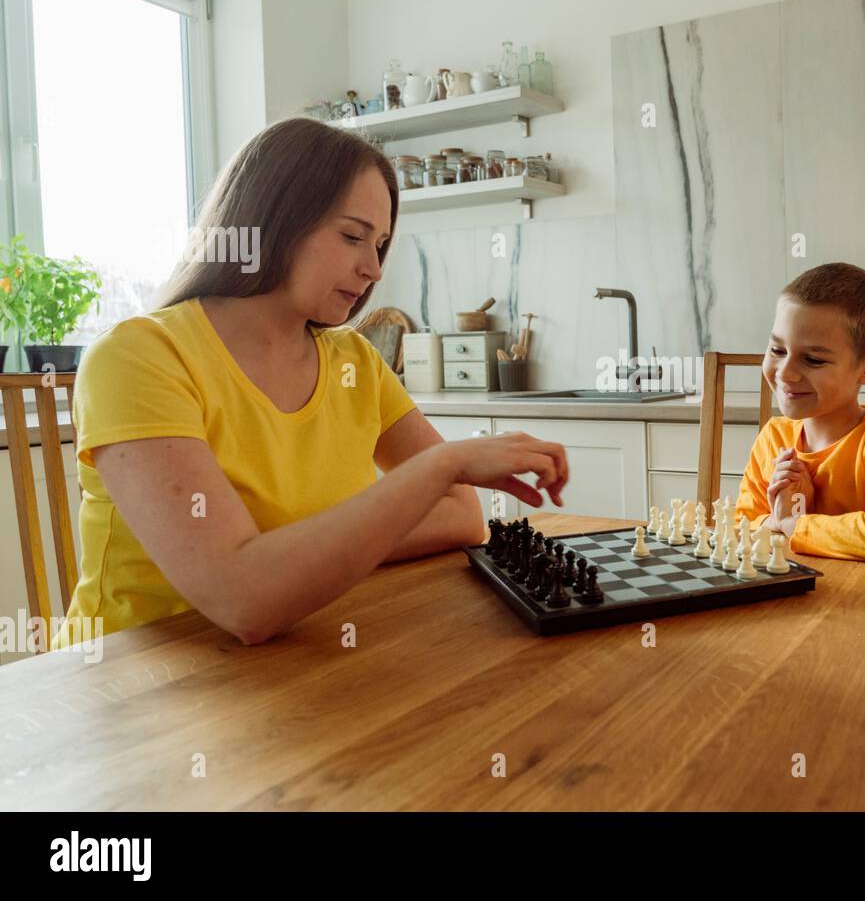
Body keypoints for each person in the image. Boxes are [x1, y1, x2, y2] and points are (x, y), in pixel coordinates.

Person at [51, 118, 567, 649]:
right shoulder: (138, 357)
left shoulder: (353, 360)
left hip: (295, 654)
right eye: (352, 236)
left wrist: (291, 557)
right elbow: (243, 601)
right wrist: (444, 463)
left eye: (381, 244)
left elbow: (460, 516)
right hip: (134, 687)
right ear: (272, 221)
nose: (373, 268)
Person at [734, 262, 865, 565]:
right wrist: (785, 517)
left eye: (812, 359)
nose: (786, 374)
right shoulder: (773, 437)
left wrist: (792, 524)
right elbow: (739, 529)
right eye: (777, 350)